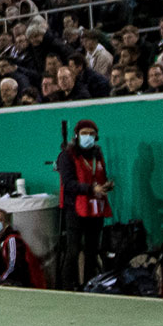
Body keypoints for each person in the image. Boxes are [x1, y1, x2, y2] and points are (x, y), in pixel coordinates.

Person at [56, 119, 113, 288]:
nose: (88, 137)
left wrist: (105, 186)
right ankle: (67, 286)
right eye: (84, 133)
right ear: (77, 135)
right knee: (73, 251)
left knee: (92, 251)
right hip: (75, 208)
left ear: (96, 137)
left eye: (91, 134)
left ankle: (89, 284)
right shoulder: (67, 155)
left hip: (95, 209)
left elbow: (99, 175)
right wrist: (90, 189)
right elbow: (68, 184)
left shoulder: (97, 155)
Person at [0, 209, 48, 287]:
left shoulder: (12, 240)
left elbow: (13, 265)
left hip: (18, 282)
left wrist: (1, 279)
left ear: (6, 223)